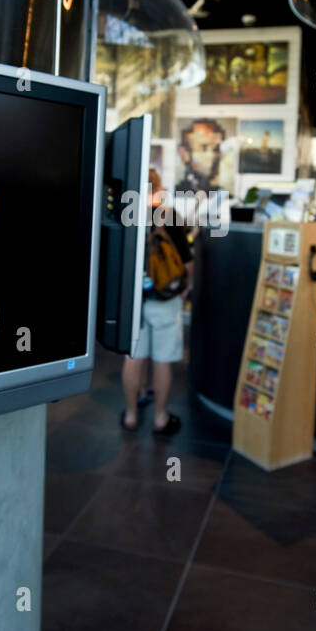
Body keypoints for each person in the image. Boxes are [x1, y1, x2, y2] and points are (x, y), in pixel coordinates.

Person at [121, 168, 193, 435]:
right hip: (164, 299)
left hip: (133, 300)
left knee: (133, 359)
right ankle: (160, 418)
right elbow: (187, 261)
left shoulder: (126, 215)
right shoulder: (170, 216)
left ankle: (130, 415)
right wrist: (186, 288)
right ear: (158, 188)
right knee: (162, 360)